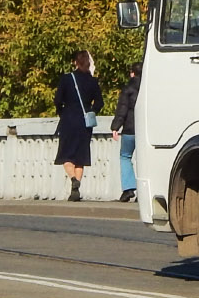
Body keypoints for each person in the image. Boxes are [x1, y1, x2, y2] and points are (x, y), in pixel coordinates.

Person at [53, 49, 103, 202]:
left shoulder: (67, 79)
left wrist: (62, 112)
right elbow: (100, 103)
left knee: (66, 155)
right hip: (84, 123)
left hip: (68, 120)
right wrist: (90, 112)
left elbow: (58, 100)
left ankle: (73, 179)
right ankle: (77, 188)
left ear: (75, 62)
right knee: (80, 156)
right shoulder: (93, 81)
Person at [110, 61, 142, 203]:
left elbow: (122, 110)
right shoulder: (149, 87)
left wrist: (115, 127)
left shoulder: (128, 88)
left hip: (129, 129)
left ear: (132, 73)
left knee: (125, 156)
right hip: (145, 130)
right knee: (143, 160)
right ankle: (143, 191)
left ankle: (128, 189)